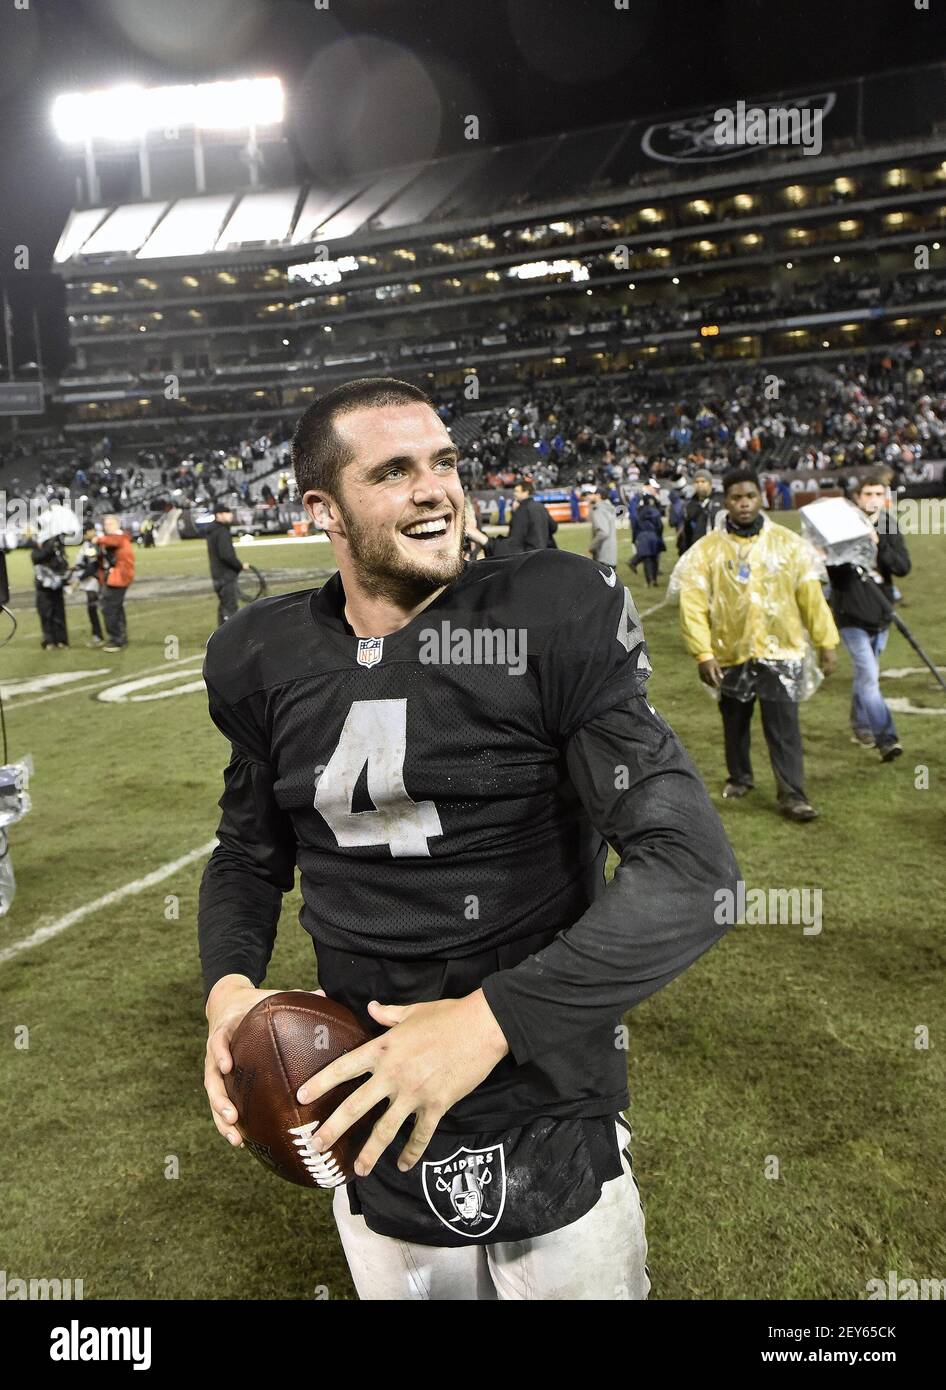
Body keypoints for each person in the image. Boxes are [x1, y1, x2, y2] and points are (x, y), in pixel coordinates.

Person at [199, 377, 739, 1302]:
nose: (436, 488)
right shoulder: (263, 656)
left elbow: (693, 875)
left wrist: (488, 1021)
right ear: (322, 510)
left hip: (546, 1087)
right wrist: (228, 989)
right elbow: (249, 854)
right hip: (363, 1096)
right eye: (396, 470)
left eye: (445, 461)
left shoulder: (548, 611)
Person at [675, 468, 839, 822]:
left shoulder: (788, 544)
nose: (744, 503)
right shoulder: (707, 551)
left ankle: (793, 795)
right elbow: (692, 604)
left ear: (761, 498)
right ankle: (740, 777)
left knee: (784, 728)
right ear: (726, 502)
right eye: (736, 498)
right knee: (735, 722)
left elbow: (810, 597)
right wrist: (703, 652)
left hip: (782, 653)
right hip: (730, 653)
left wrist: (826, 642)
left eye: (749, 496)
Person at [827, 473, 910, 761]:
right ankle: (887, 738)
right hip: (851, 613)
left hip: (881, 612)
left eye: (878, 494)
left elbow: (902, 567)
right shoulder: (842, 527)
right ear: (857, 497)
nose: (873, 499)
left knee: (867, 673)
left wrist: (878, 544)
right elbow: (835, 576)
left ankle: (860, 722)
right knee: (869, 677)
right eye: (868, 494)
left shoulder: (888, 525)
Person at [95, 513, 135, 651]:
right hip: (114, 577)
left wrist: (97, 539)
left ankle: (116, 639)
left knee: (109, 608)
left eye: (110, 524)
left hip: (119, 578)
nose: (107, 527)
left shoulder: (118, 538)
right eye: (105, 524)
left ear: (118, 524)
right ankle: (120, 636)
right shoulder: (115, 538)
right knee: (116, 608)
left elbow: (114, 541)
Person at [206, 504, 248, 626]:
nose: (230, 515)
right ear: (219, 515)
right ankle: (229, 639)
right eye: (227, 513)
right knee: (230, 610)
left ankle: (219, 637)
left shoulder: (212, 531)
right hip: (225, 576)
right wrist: (240, 566)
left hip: (217, 575)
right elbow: (226, 555)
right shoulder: (222, 531)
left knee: (223, 608)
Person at [31, 530, 70, 649]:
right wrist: (50, 546)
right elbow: (36, 557)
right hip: (43, 587)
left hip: (56, 586)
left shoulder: (57, 550)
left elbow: (64, 564)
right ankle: (49, 640)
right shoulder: (39, 551)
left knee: (59, 613)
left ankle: (61, 640)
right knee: (45, 614)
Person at [73, 523, 104, 645]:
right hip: (91, 579)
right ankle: (98, 635)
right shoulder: (88, 544)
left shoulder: (95, 543)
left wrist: (79, 578)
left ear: (92, 531)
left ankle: (99, 636)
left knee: (95, 608)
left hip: (94, 580)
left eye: (86, 531)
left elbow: (93, 566)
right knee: (94, 608)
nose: (85, 534)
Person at [678, 470, 721, 553]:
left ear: (710, 483)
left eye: (703, 481)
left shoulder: (720, 500)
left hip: (718, 548)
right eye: (696, 482)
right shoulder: (689, 505)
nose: (699, 484)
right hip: (698, 550)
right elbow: (687, 531)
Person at [630, 493, 665, 586]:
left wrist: (634, 539)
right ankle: (654, 580)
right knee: (655, 560)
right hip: (654, 536)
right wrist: (659, 536)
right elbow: (660, 526)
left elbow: (635, 527)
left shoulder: (638, 512)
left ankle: (649, 581)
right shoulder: (655, 511)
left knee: (647, 561)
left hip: (642, 537)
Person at [587, 486, 618, 569]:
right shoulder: (608, 506)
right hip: (611, 554)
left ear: (598, 495)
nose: (589, 496)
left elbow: (603, 532)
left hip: (602, 555)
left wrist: (591, 547)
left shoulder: (599, 509)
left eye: (592, 494)